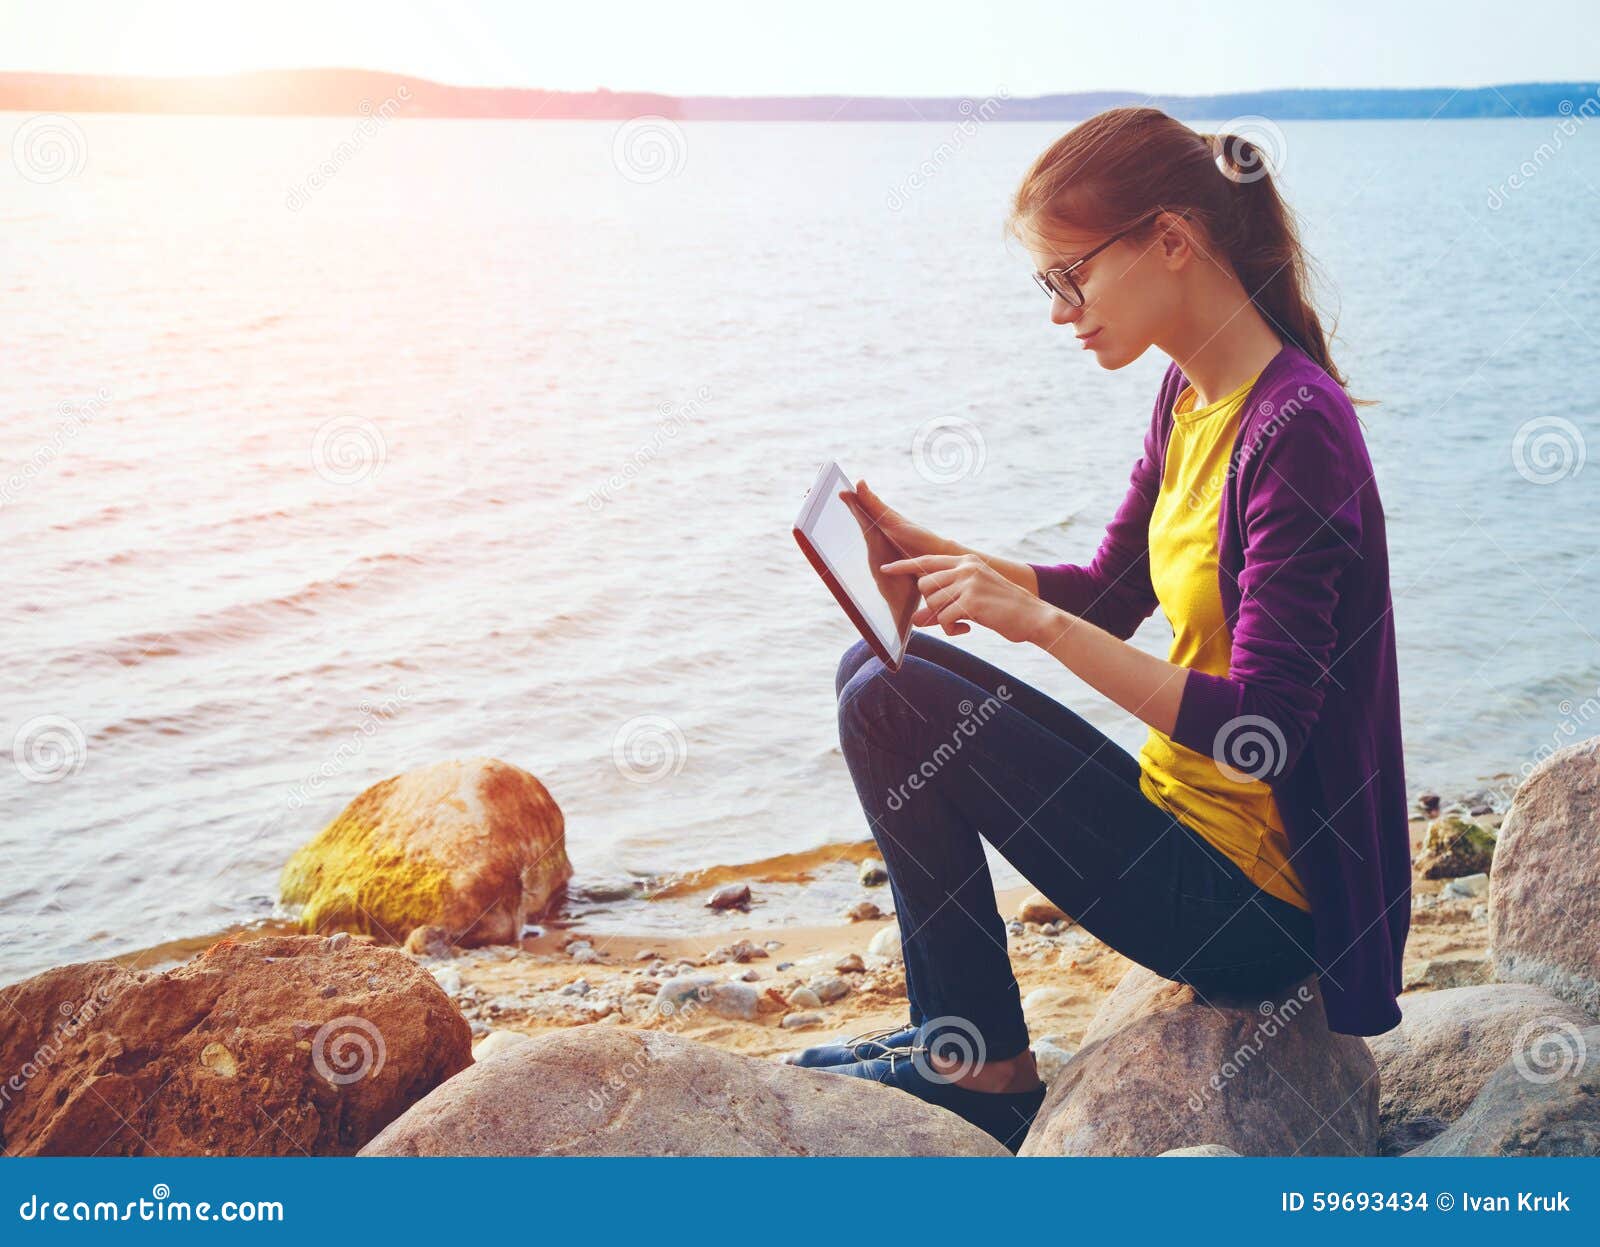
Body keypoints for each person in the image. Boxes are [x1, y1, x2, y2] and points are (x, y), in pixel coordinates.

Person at [791, 106, 1410, 1154]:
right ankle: (964, 1037)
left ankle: (980, 1060)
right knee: (872, 665)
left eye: (1069, 275)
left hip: (1255, 906)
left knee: (895, 694)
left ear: (1171, 239)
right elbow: (1111, 587)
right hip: (1179, 829)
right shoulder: (1190, 391)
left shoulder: (1295, 430)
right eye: (1049, 284)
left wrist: (1029, 625)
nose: (1059, 312)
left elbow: (1264, 725)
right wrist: (942, 552)